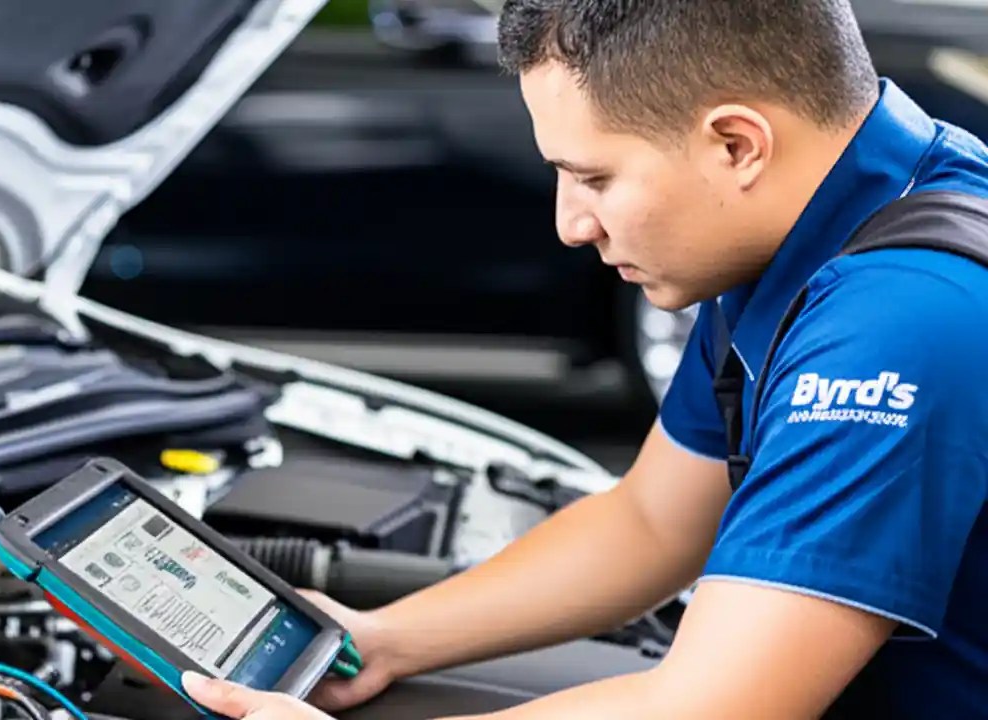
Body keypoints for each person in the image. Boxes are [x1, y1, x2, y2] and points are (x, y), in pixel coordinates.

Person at [180, 1, 988, 717]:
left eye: (593, 177)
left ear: (738, 144)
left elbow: (719, 706)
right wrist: (388, 639)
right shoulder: (842, 218)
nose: (572, 224)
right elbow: (652, 522)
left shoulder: (901, 321)